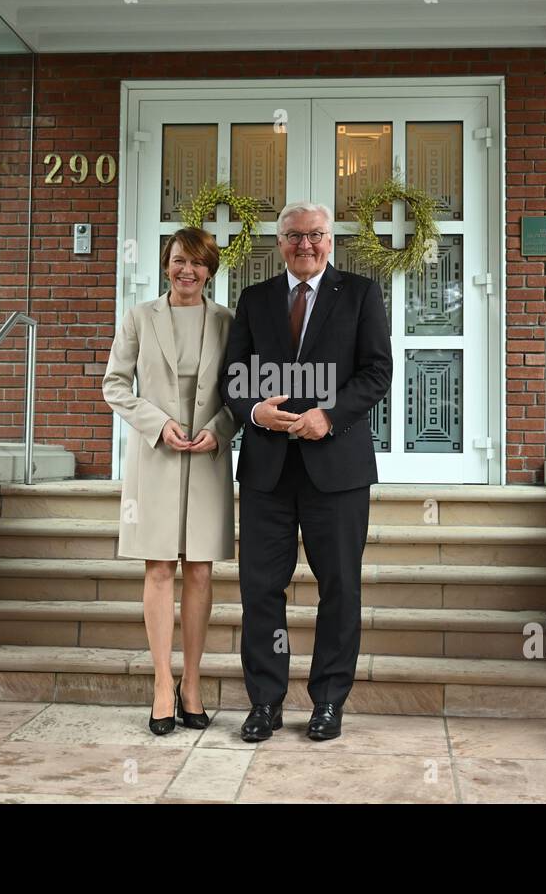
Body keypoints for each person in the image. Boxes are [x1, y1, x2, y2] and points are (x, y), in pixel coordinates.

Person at [218, 201, 392, 742]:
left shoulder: (360, 293)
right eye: (294, 236)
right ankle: (265, 703)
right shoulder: (254, 299)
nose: (305, 245)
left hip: (337, 470)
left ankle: (328, 702)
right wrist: (252, 411)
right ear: (280, 243)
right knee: (260, 590)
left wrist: (330, 416)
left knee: (339, 587)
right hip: (268, 471)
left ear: (330, 240)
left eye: (314, 235)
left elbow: (377, 372)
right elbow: (233, 375)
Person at [102, 227, 239, 735]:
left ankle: (192, 684)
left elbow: (241, 391)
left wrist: (219, 431)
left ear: (210, 270)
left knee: (200, 570)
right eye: (180, 260)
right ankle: (162, 683)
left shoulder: (228, 322)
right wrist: (157, 423)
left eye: (198, 263)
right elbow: (115, 385)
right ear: (166, 264)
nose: (188, 271)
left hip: (206, 456)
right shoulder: (140, 318)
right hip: (156, 456)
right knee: (159, 566)